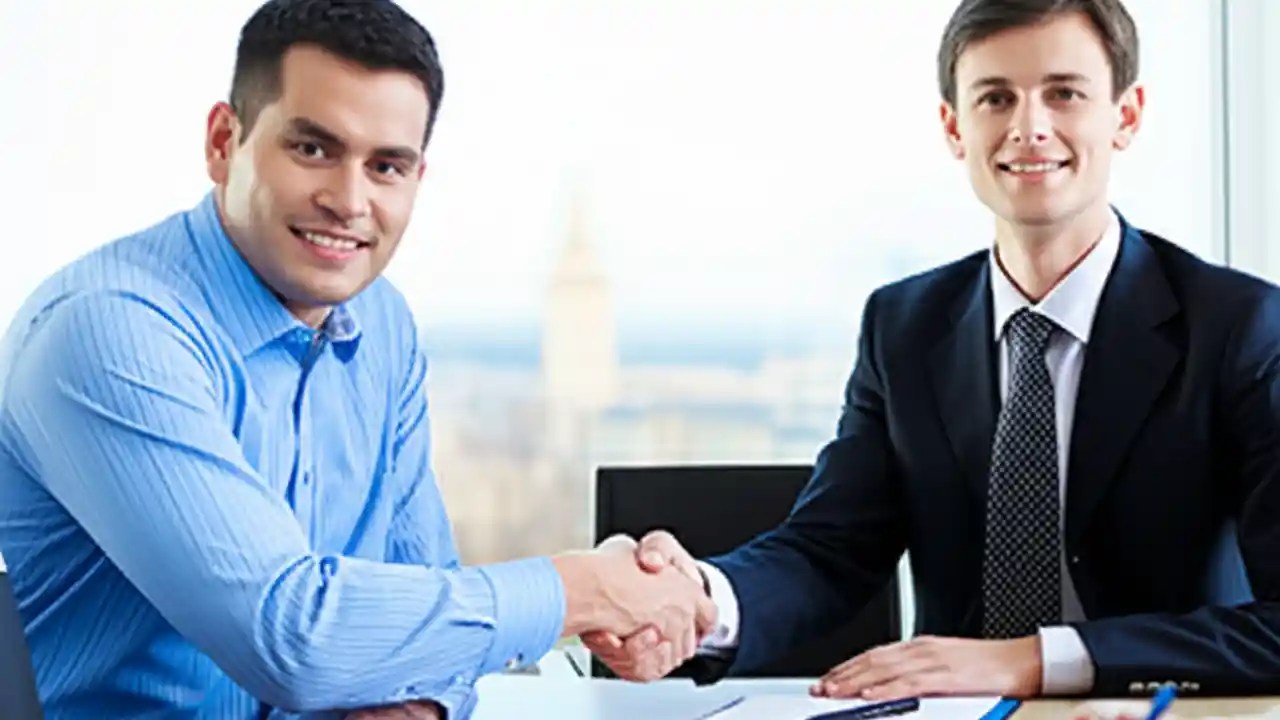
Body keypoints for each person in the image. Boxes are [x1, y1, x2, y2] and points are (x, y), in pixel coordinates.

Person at [0, 1, 715, 718]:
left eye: (385, 166)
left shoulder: (382, 324)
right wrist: (588, 589)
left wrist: (419, 706)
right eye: (313, 149)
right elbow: (291, 636)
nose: (349, 202)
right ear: (224, 142)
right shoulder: (110, 331)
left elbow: (428, 598)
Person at [587, 0, 1280, 700]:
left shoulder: (1241, 329)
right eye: (996, 98)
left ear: (1125, 116)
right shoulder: (903, 327)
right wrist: (703, 602)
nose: (1029, 127)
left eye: (1065, 94)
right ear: (955, 127)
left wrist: (1031, 660)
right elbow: (831, 550)